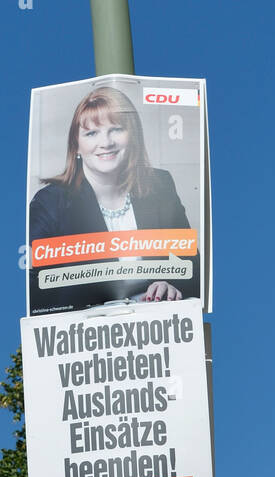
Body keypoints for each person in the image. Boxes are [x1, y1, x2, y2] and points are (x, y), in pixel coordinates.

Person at [28, 86, 200, 315]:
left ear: (133, 136)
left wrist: (172, 285)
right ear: (76, 145)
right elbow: (39, 287)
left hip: (157, 325)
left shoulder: (160, 185)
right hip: (86, 333)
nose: (106, 142)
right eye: (92, 133)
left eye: (116, 129)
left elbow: (192, 266)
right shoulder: (50, 203)